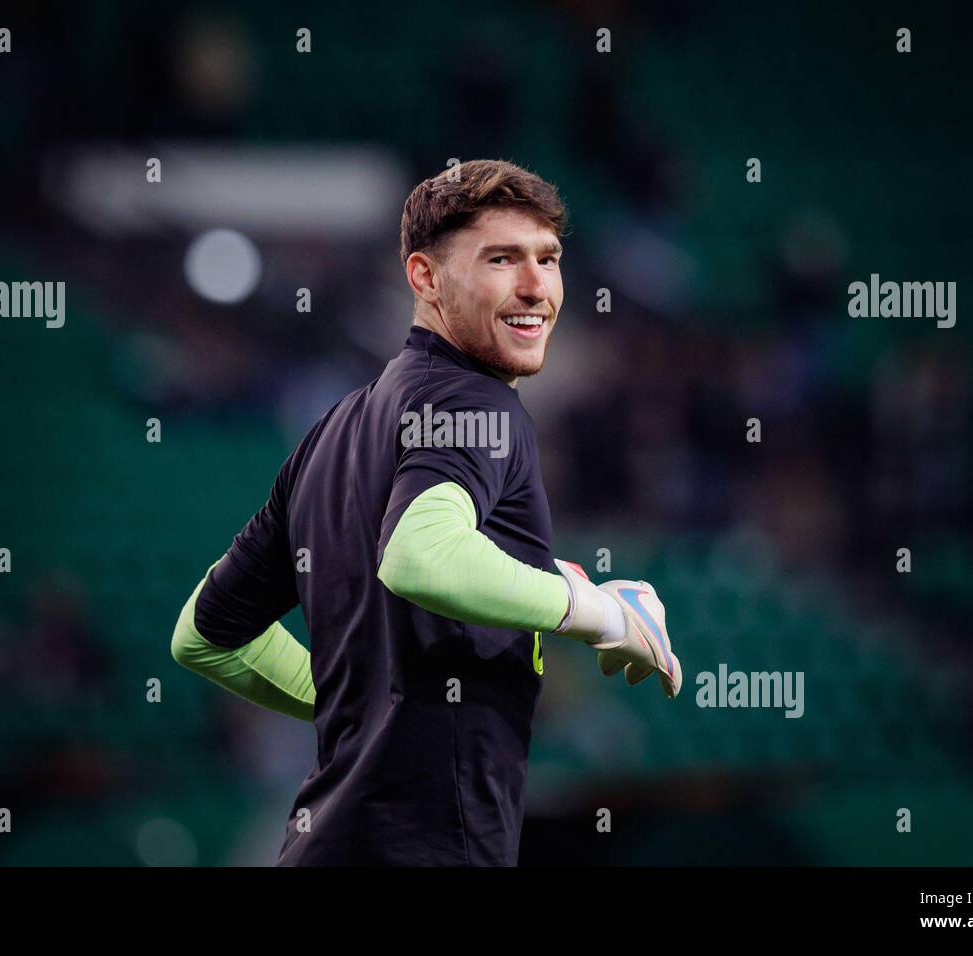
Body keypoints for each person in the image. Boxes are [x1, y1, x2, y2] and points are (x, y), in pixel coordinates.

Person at [171, 159, 682, 866]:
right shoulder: (477, 403)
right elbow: (421, 556)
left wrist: (365, 705)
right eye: (501, 259)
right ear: (425, 279)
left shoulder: (333, 432)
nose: (535, 285)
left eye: (548, 259)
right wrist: (601, 616)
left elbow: (203, 635)